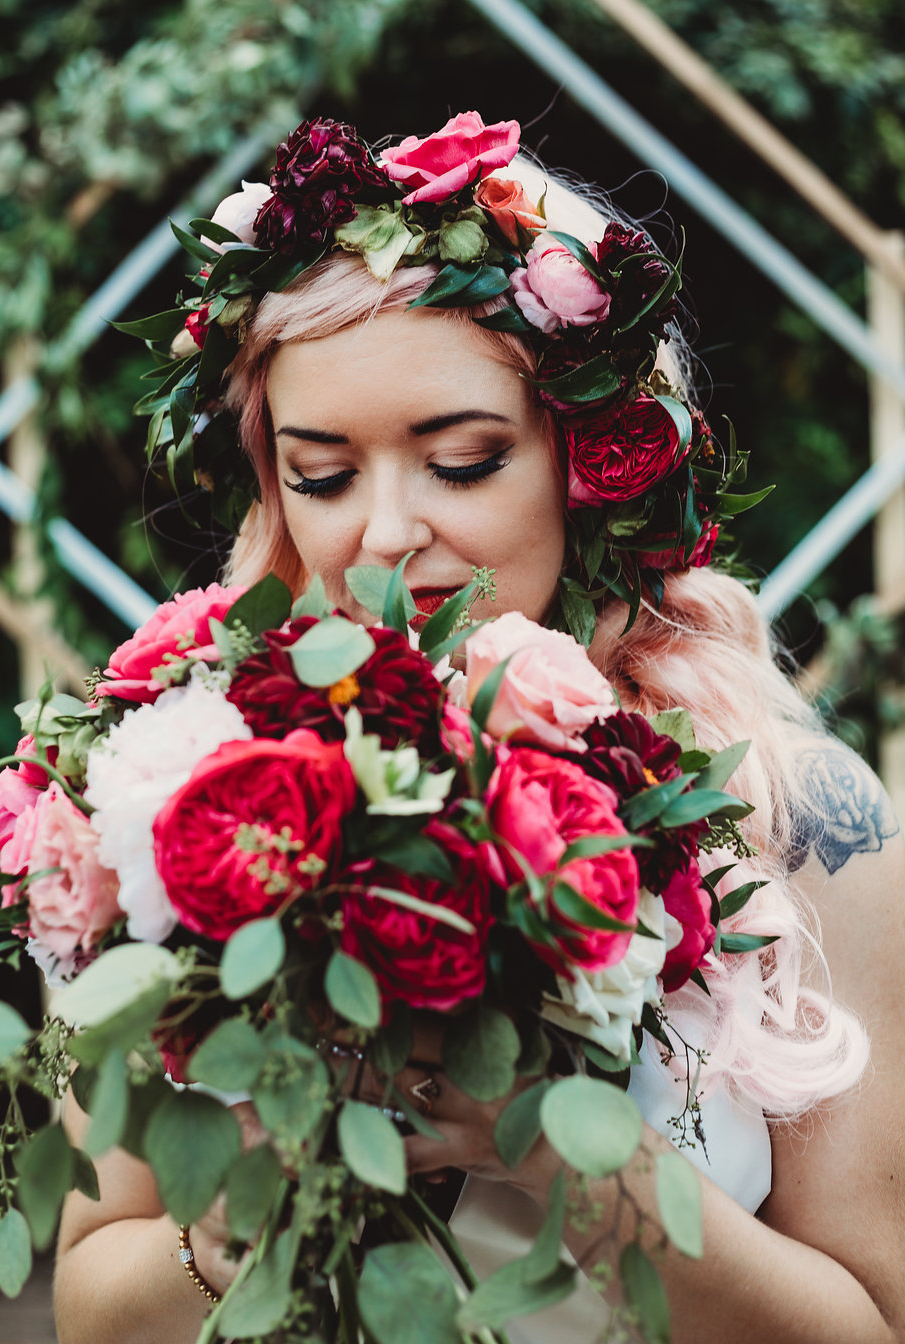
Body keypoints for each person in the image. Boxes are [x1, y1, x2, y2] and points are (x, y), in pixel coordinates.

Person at [54, 113, 905, 1344]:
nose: (385, 532)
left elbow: (870, 1324)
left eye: (460, 461)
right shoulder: (163, 791)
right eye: (324, 473)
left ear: (588, 461)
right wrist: (253, 1208)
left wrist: (580, 1171)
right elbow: (91, 1307)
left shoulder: (807, 820)